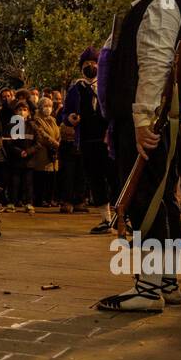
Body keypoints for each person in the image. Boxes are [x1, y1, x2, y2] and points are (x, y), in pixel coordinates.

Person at [97, 0, 181, 312]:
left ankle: (148, 287)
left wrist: (142, 121)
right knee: (160, 196)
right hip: (149, 119)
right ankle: (165, 281)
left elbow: (156, 64)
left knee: (146, 199)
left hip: (148, 122)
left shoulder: (164, 0)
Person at [62, 48, 112, 228]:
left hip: (107, 140)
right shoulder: (76, 87)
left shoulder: (107, 84)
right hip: (87, 141)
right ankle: (106, 218)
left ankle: (123, 216)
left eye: (93, 63)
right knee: (95, 178)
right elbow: (66, 112)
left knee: (114, 177)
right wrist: (70, 118)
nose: (90, 66)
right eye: (86, 64)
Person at [29, 96, 60, 212]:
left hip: (53, 153)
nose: (48, 109)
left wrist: (58, 143)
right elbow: (42, 135)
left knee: (51, 179)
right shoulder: (37, 119)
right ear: (40, 107)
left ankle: (49, 199)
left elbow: (57, 132)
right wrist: (56, 144)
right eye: (45, 106)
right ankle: (40, 199)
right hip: (43, 152)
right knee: (41, 178)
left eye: (50, 106)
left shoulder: (53, 119)